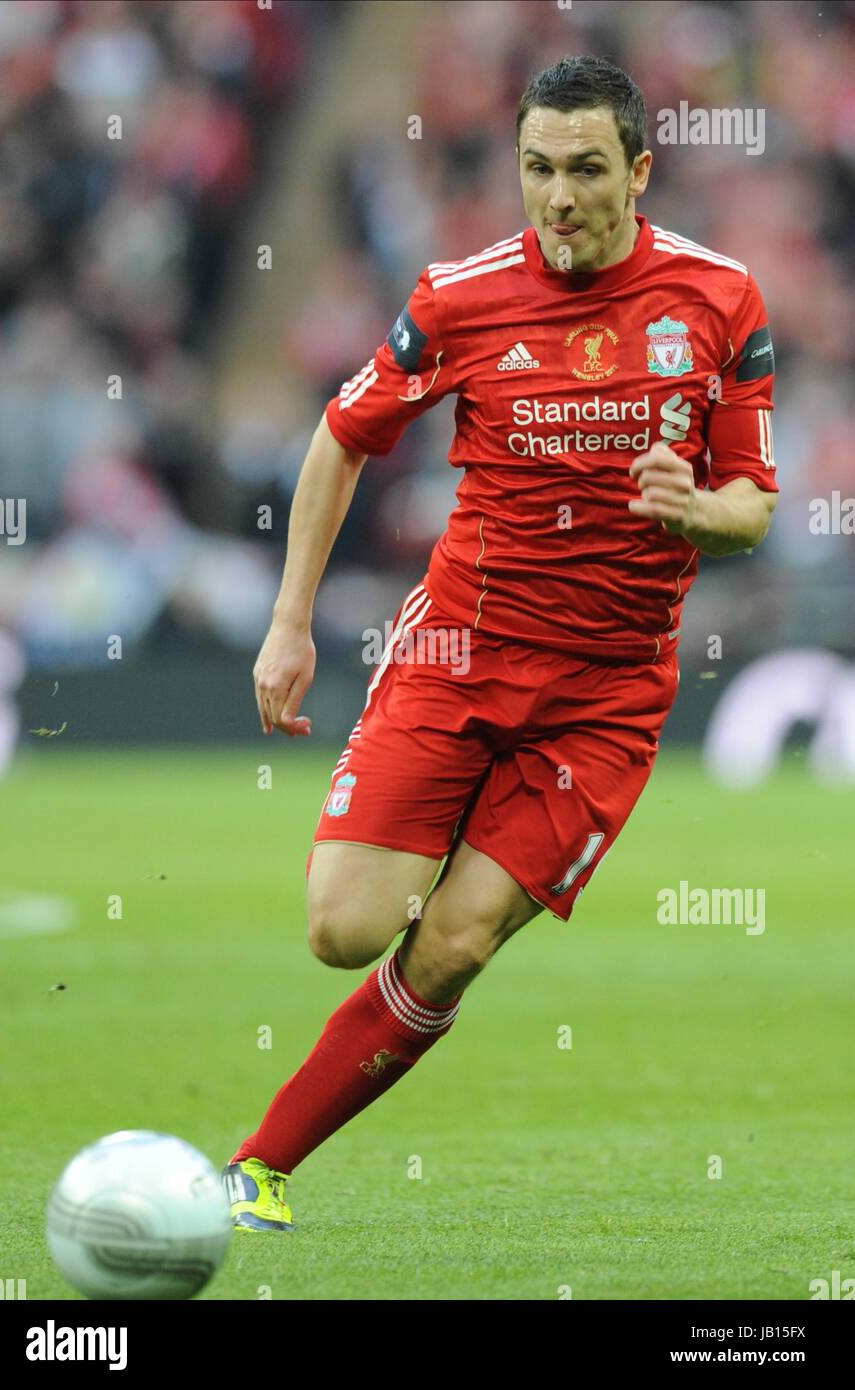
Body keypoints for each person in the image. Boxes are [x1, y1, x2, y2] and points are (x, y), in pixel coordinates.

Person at [222, 55, 778, 1231]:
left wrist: (698, 510)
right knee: (345, 928)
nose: (558, 197)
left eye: (585, 170)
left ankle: (258, 1168)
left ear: (640, 170)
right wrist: (288, 624)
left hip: (609, 694)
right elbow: (339, 436)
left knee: (458, 938)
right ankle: (435, 855)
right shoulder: (460, 297)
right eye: (536, 168)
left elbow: (753, 504)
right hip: (459, 649)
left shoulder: (721, 299)